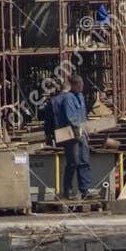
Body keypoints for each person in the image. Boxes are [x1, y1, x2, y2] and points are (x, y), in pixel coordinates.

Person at [47, 72, 91, 200]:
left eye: (81, 84)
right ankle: (68, 190)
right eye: (79, 84)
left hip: (82, 134)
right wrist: (77, 130)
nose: (81, 86)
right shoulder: (68, 98)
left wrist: (86, 131)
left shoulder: (80, 97)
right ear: (73, 85)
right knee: (73, 162)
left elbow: (83, 116)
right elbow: (71, 117)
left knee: (84, 161)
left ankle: (84, 190)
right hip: (71, 135)